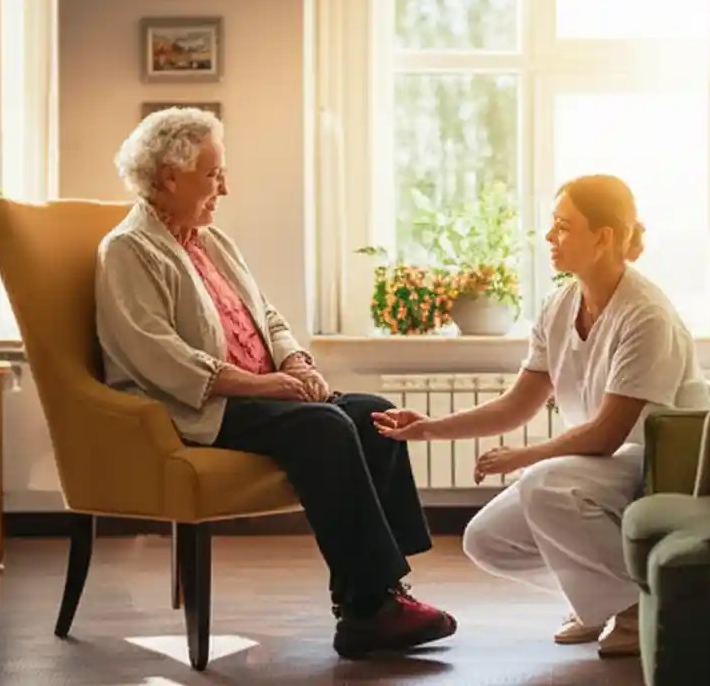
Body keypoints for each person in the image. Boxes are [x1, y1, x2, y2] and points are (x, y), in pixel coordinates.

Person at [94, 107, 456, 659]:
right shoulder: (128, 250)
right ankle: (371, 608)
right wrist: (264, 387)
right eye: (214, 174)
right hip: (198, 408)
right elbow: (158, 357)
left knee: (374, 415)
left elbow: (269, 318)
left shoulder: (212, 242)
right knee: (326, 427)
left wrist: (295, 364)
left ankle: (373, 596)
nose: (226, 187)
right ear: (170, 175)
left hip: (264, 393)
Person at [374, 174, 710, 657]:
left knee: (544, 481)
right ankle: (600, 600)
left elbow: (610, 434)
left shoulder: (647, 315)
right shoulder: (559, 305)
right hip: (602, 465)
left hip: (659, 461)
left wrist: (523, 457)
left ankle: (634, 611)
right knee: (487, 539)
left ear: (604, 236)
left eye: (563, 226)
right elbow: (517, 404)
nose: (550, 238)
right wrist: (428, 429)